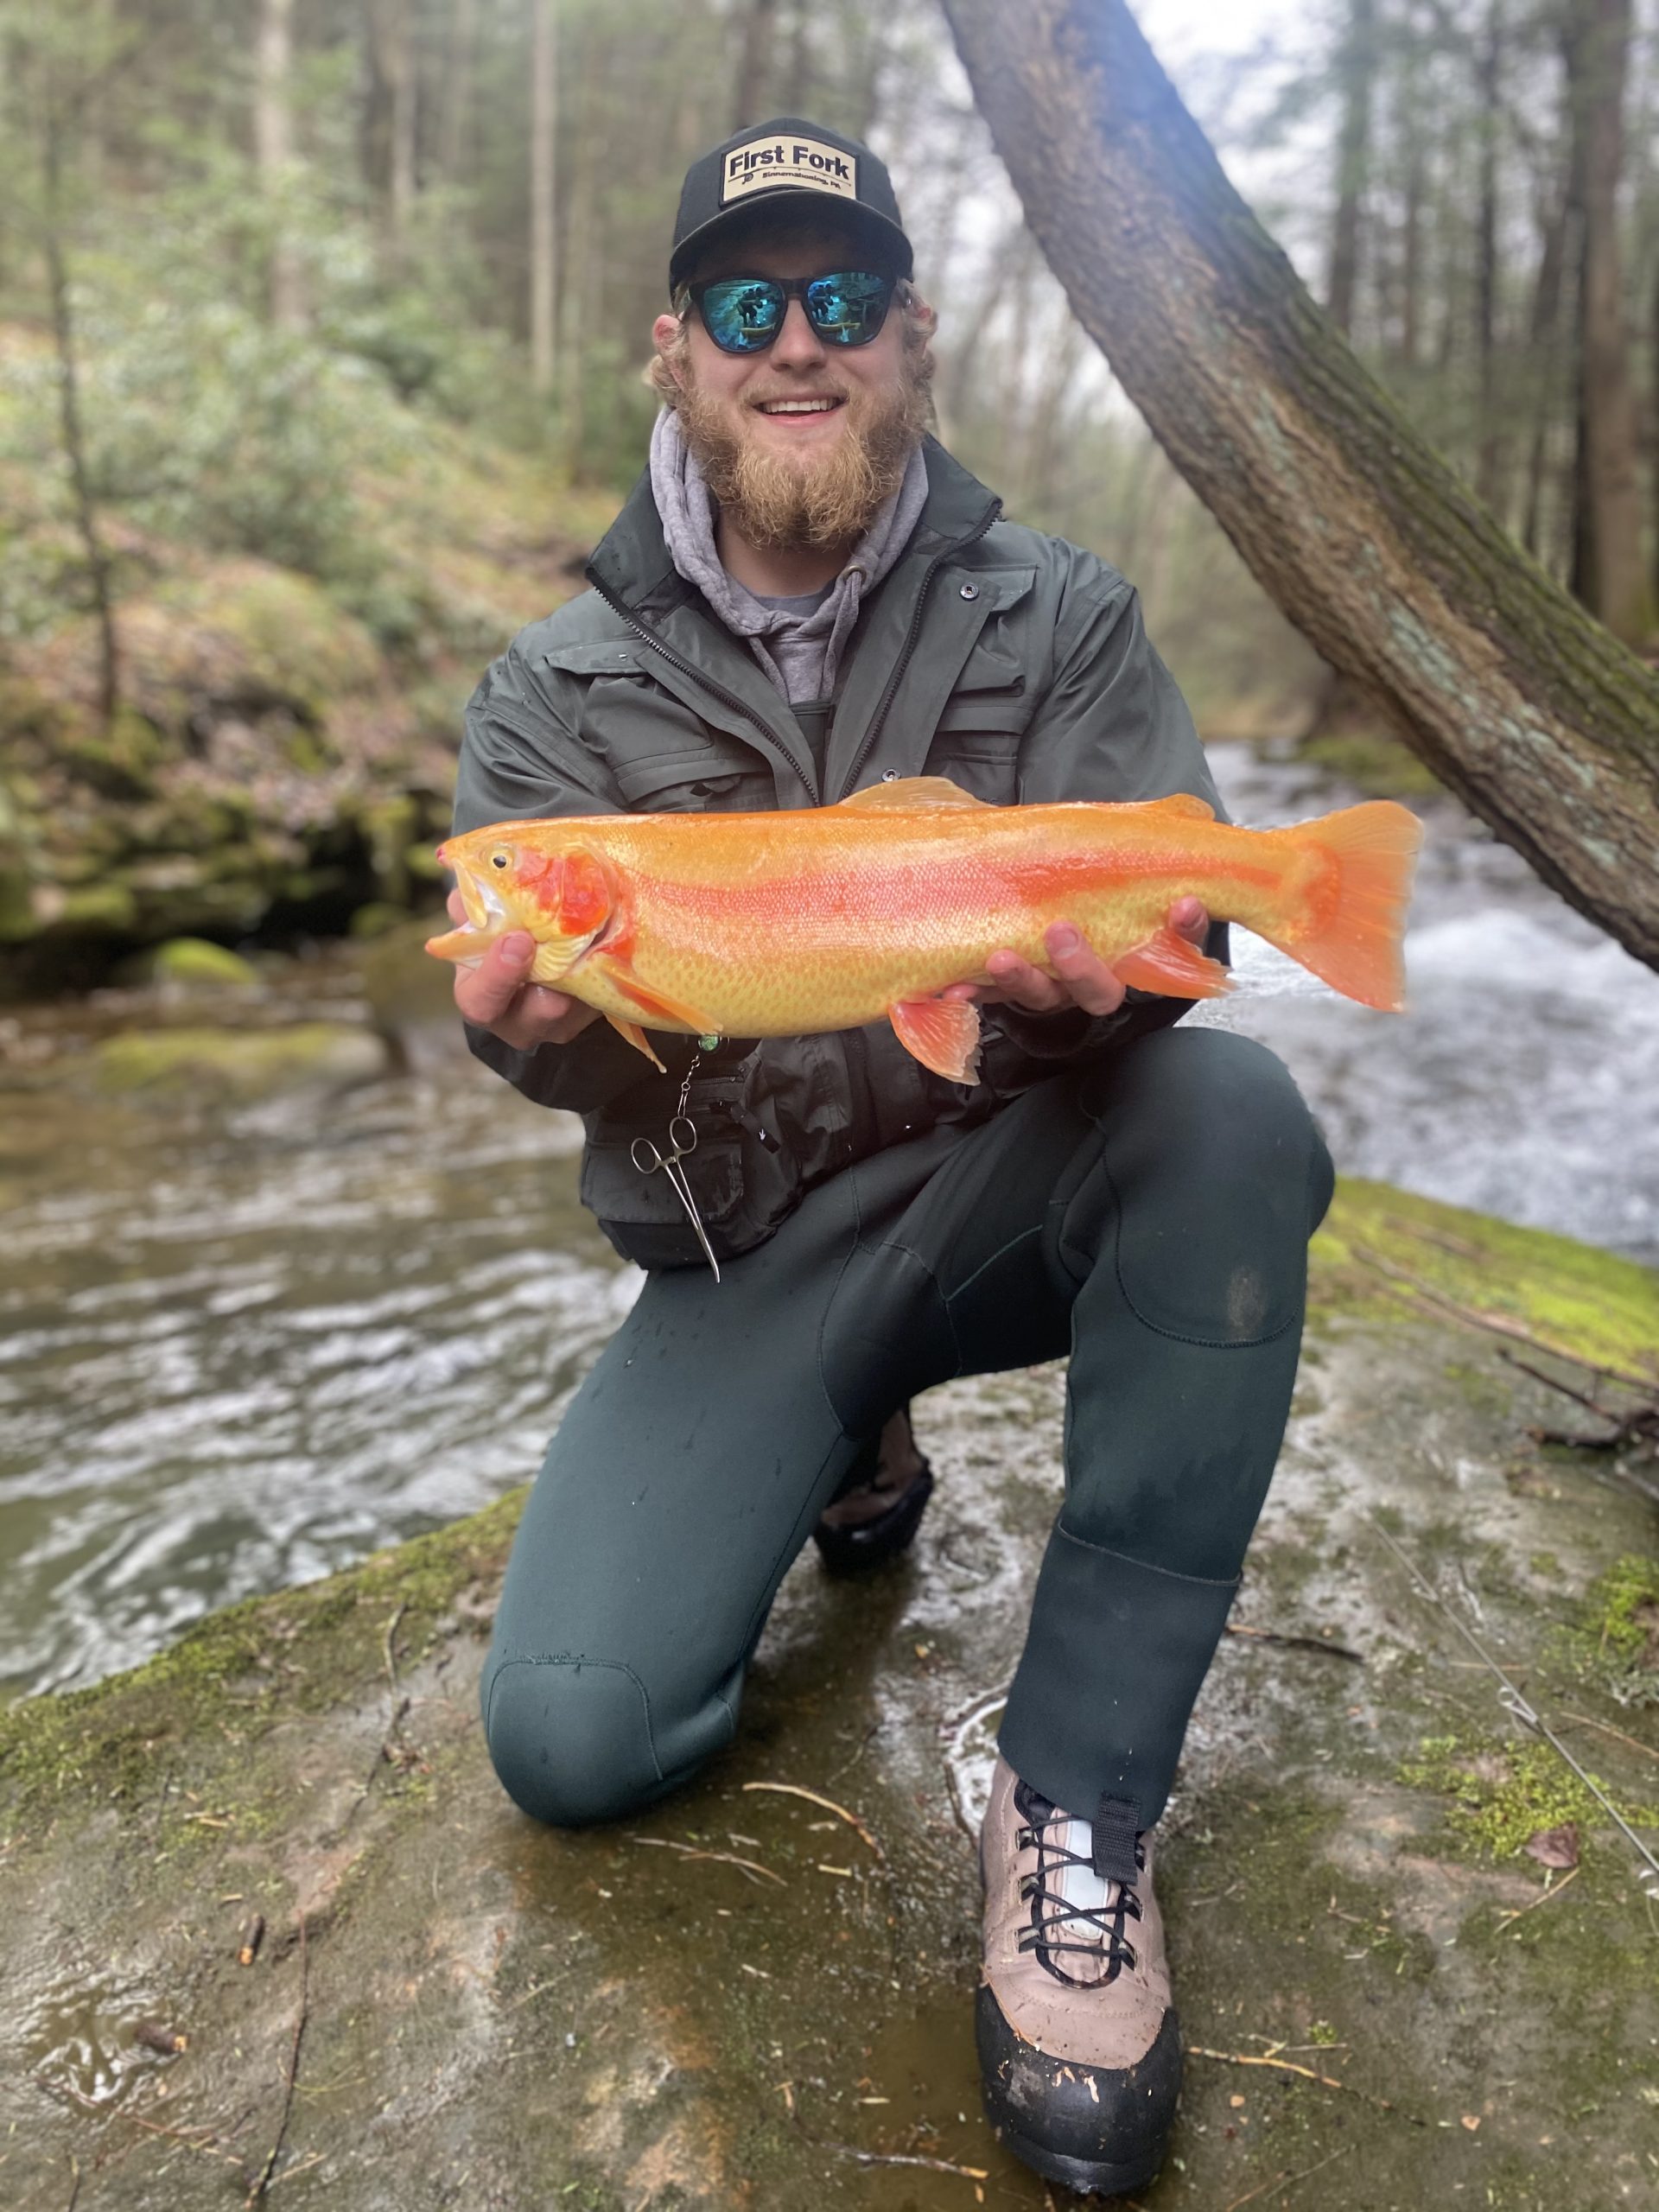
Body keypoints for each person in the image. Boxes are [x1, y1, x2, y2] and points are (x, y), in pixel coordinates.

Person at [448, 117, 1333, 2202]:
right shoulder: (551, 698)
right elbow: (596, 1074)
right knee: (572, 1742)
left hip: (1004, 1178)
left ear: (910, 337)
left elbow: (1195, 943)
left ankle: (1079, 1809)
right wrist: (550, 1053)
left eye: (842, 300)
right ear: (674, 348)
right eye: (749, 304)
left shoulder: (1064, 611)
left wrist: (1083, 981)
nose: (797, 344)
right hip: (743, 1257)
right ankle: (854, 1444)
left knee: (1232, 1118)